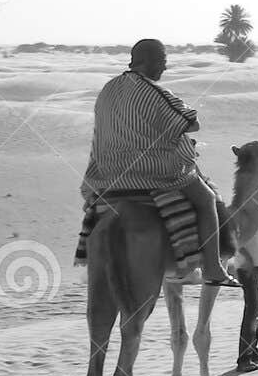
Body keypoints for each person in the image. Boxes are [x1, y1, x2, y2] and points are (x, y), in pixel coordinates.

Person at [81, 39, 237, 286]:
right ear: (150, 61)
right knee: (207, 199)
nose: (164, 67)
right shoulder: (153, 91)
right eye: (162, 61)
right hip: (151, 173)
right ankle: (213, 268)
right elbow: (191, 123)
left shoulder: (108, 88)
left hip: (107, 174)